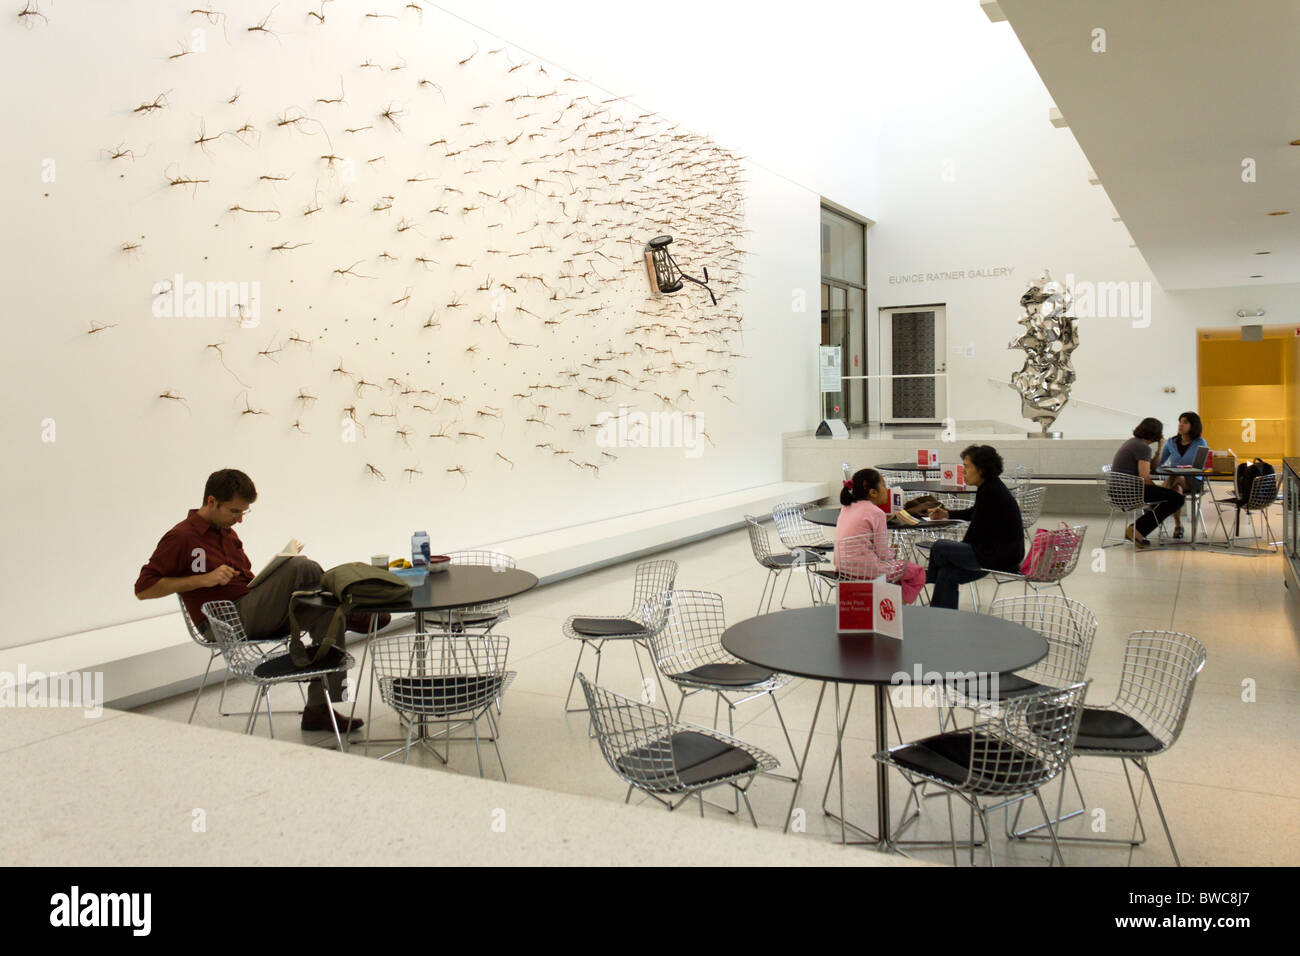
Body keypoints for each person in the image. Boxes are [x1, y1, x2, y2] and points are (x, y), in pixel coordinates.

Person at [134, 469, 367, 733]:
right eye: (234, 512)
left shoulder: (229, 534)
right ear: (212, 502)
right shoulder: (182, 537)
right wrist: (202, 580)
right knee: (302, 567)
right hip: (223, 620)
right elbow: (144, 589)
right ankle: (354, 609)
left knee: (328, 615)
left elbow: (246, 583)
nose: (240, 519)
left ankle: (318, 710)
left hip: (250, 608)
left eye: (244, 512)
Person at [925, 445, 1025, 609]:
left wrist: (957, 553)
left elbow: (975, 532)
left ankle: (926, 581)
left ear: (981, 469)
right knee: (947, 573)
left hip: (998, 556)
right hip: (1005, 555)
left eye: (966, 466)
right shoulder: (990, 487)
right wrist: (947, 514)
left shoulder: (991, 492)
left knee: (939, 547)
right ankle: (941, 616)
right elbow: (974, 513)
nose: (963, 471)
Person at [835, 469, 927, 604]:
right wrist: (893, 552)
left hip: (843, 570)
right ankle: (893, 608)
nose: (886, 490)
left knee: (898, 572)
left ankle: (883, 601)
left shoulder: (846, 507)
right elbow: (883, 555)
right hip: (867, 571)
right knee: (917, 572)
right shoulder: (876, 513)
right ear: (873, 492)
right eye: (884, 485)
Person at [1111, 417, 1184, 548]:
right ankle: (1137, 530)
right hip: (1129, 491)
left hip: (1118, 490)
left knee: (1168, 495)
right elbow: (1145, 477)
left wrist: (1160, 449)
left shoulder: (1134, 443)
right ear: (1156, 434)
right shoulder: (1142, 448)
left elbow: (1152, 468)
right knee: (1177, 499)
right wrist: (1160, 490)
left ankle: (1139, 528)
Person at [1158, 411, 1208, 539]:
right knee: (1176, 490)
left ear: (1193, 425)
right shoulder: (1171, 442)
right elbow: (1160, 463)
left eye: (1185, 422)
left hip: (1194, 481)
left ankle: (1157, 501)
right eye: (1180, 422)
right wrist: (1160, 446)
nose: (1181, 425)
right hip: (1176, 482)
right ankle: (1178, 525)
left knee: (1176, 476)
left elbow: (1201, 467)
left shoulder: (1200, 442)